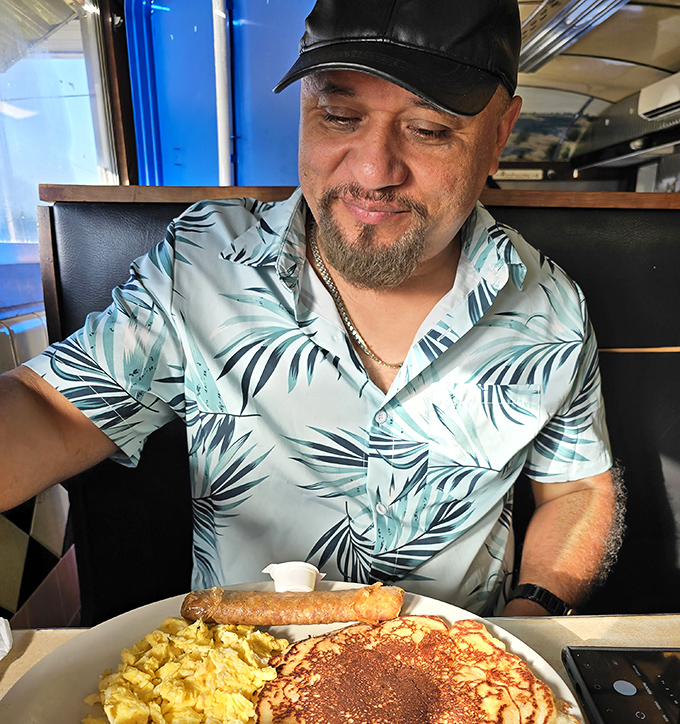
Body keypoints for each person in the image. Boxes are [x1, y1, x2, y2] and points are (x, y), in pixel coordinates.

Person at [0, 0, 621, 618]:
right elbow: (50, 409)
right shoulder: (203, 265)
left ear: (500, 134)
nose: (373, 171)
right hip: (238, 666)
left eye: (430, 129)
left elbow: (577, 489)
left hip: (456, 665)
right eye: (339, 116)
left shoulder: (550, 306)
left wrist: (529, 622)